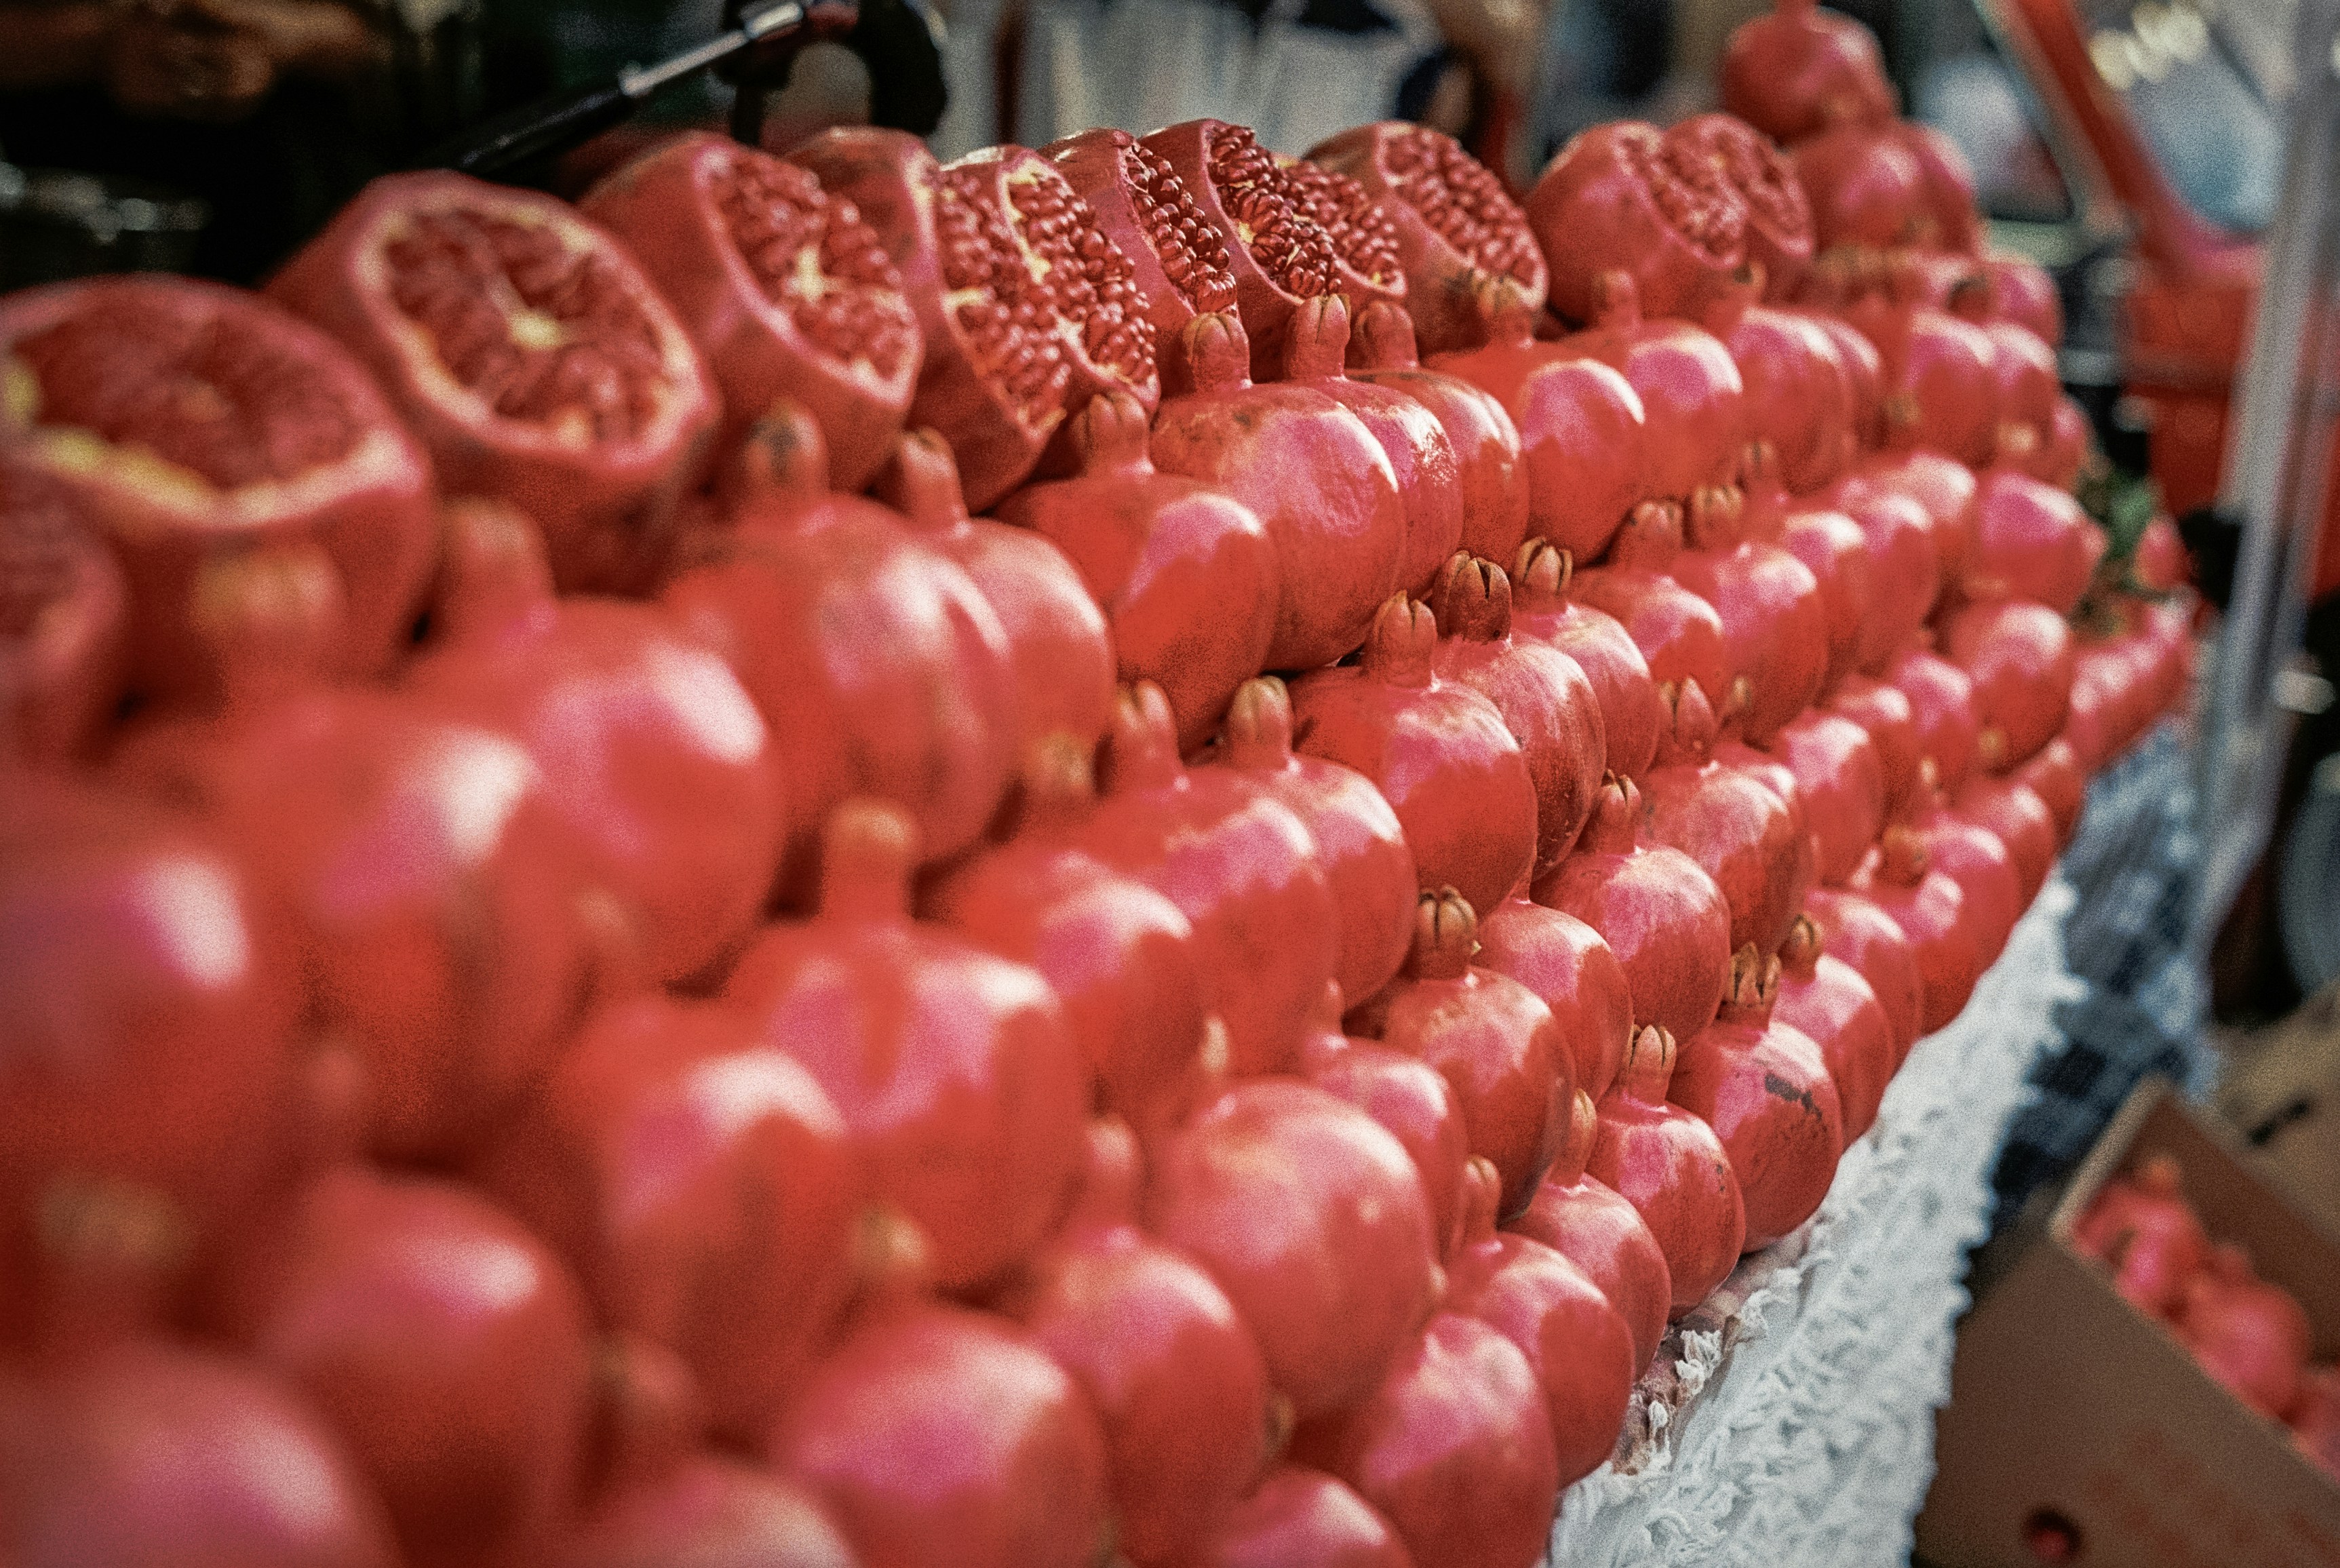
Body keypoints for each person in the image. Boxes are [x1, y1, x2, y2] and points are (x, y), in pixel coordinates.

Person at [0, 0, 476, 281]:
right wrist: (92, 45)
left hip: (311, 227)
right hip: (41, 222)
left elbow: (462, 44)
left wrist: (294, 35)